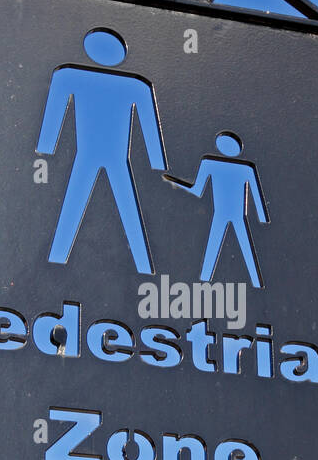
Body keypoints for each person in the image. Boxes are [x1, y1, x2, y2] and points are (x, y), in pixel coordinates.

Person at [37, 29, 166, 274]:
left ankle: (144, 266)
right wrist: (45, 146)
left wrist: (157, 162)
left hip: (115, 155)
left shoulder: (135, 85)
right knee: (78, 202)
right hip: (89, 152)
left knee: (126, 208)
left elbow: (150, 124)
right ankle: (58, 259)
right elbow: (54, 111)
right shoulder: (70, 76)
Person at [165, 131, 268, 287]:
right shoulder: (241, 169)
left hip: (224, 214)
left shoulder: (214, 165)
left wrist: (175, 182)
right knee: (242, 247)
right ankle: (255, 281)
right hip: (229, 214)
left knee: (217, 248)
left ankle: (211, 281)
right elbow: (258, 198)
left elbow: (196, 190)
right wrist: (262, 218)